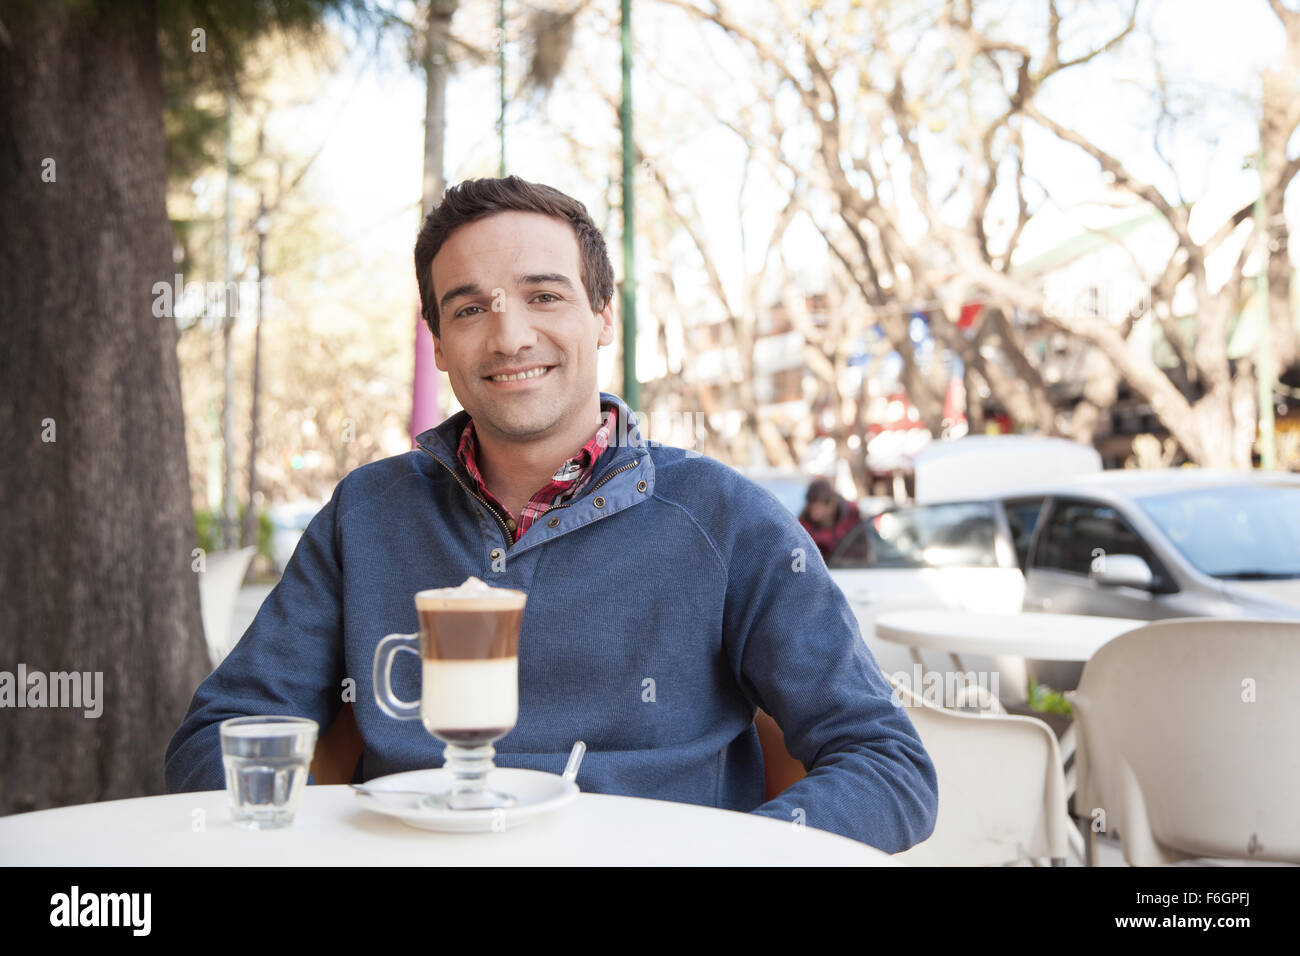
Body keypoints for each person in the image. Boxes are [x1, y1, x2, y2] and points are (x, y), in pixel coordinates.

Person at [164, 175, 937, 852]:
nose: (510, 336)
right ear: (439, 342)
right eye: (470, 309)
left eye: (544, 295)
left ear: (604, 315)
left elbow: (887, 766)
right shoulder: (366, 515)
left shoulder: (727, 519)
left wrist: (732, 858)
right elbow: (220, 738)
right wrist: (334, 841)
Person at [799, 478, 861, 563]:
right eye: (811, 505)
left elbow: (861, 547)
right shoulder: (803, 525)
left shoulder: (851, 516)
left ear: (831, 504)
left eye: (818, 506)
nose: (814, 511)